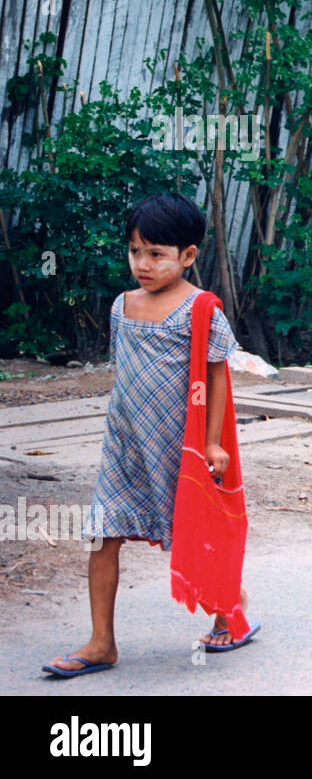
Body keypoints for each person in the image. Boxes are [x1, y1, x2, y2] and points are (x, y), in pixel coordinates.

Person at [42, 193, 256, 677]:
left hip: (178, 450)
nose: (143, 263)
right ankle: (101, 643)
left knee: (194, 537)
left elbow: (218, 373)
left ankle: (231, 612)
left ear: (187, 256)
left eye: (156, 253)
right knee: (102, 534)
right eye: (135, 251)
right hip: (125, 443)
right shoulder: (122, 306)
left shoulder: (201, 309)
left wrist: (213, 442)